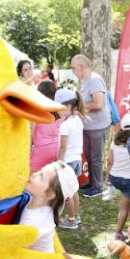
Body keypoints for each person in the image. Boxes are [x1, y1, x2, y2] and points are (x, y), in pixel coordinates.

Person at [70, 54, 111, 197]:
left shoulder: (94, 80)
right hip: (89, 126)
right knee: (89, 155)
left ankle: (98, 186)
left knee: (95, 157)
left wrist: (79, 109)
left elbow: (98, 104)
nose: (72, 70)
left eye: (73, 67)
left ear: (81, 67)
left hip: (97, 126)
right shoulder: (85, 80)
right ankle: (93, 182)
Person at [56, 88, 86, 229]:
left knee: (67, 193)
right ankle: (75, 215)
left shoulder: (65, 125)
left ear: (68, 107)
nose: (57, 111)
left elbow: (62, 147)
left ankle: (71, 220)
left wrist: (58, 162)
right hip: (77, 160)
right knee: (74, 190)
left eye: (59, 107)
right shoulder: (77, 119)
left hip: (66, 162)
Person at [105, 129, 130, 241]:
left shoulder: (114, 143)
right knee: (124, 208)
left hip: (115, 177)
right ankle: (119, 233)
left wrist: (108, 178)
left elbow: (110, 161)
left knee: (124, 207)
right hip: (129, 181)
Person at [29, 81, 62, 174]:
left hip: (41, 150)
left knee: (31, 179)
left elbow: (31, 131)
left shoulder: (37, 110)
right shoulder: (58, 109)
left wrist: (27, 150)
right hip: (56, 148)